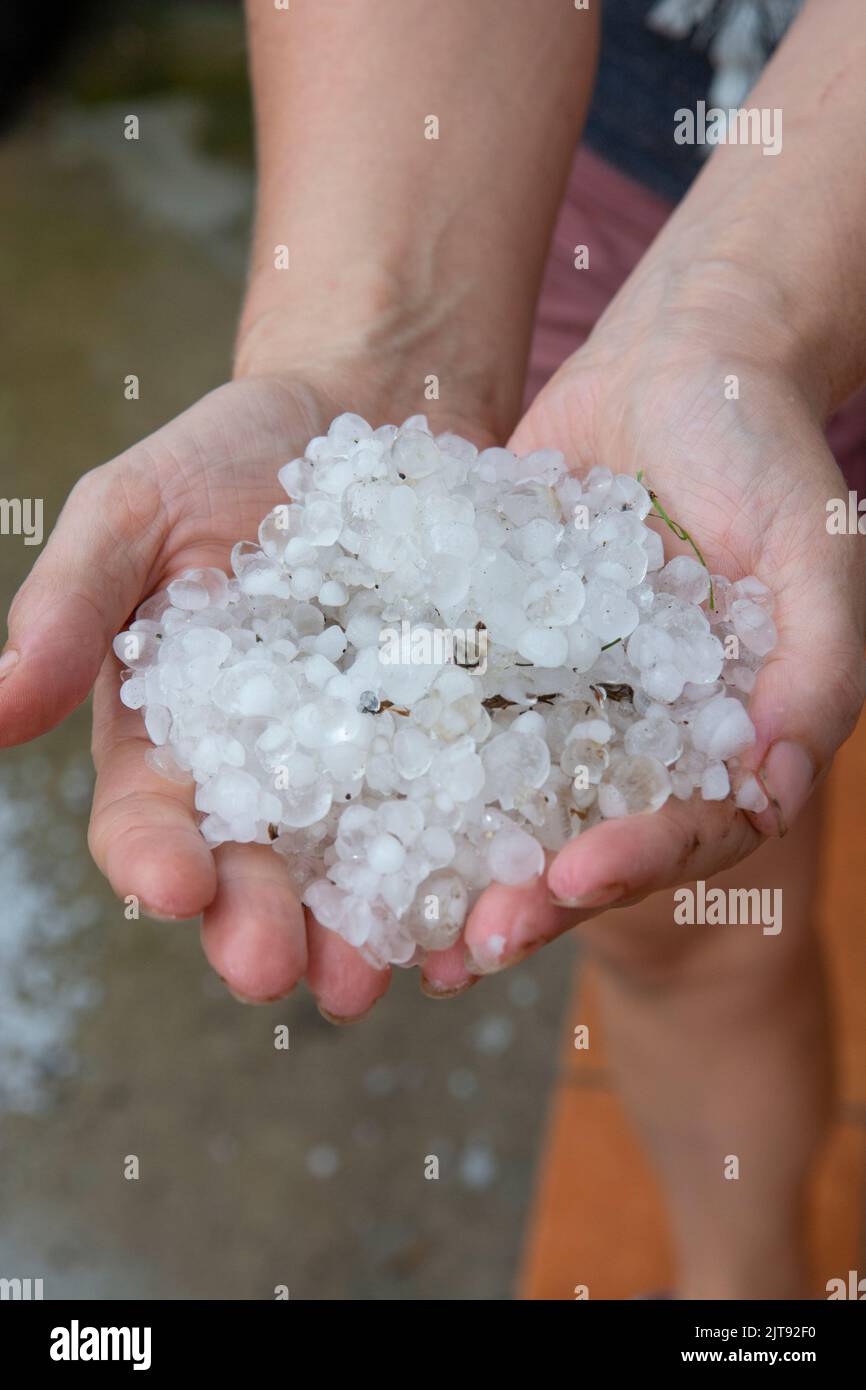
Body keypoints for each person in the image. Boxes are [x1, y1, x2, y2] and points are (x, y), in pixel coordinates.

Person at [1, 0, 864, 1298]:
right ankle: (744, 1289)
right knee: (697, 940)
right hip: (604, 156)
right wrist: (370, 335)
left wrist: (754, 299)